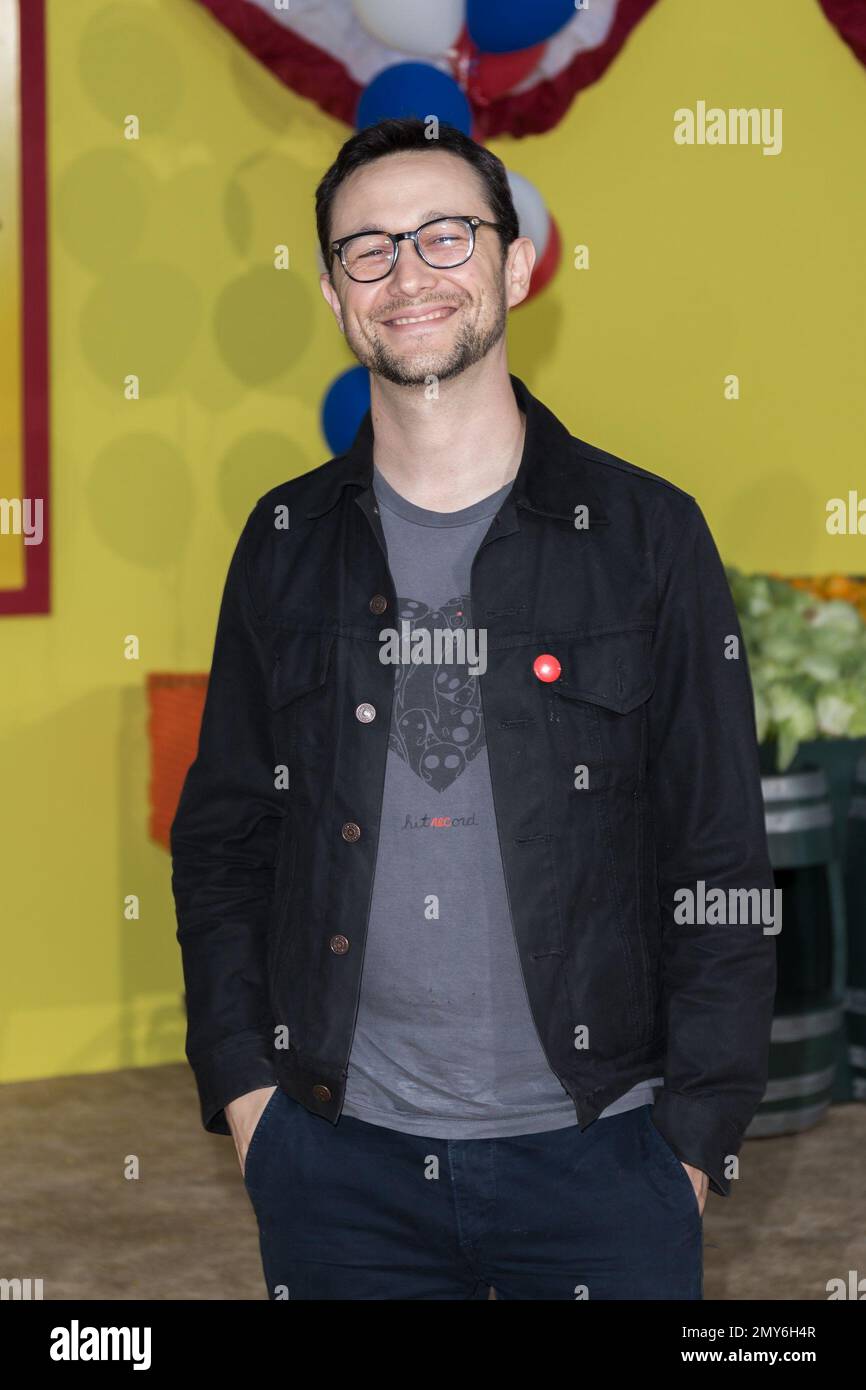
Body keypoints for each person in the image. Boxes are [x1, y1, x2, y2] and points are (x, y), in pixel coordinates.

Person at [170, 117, 777, 1301]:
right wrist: (249, 1099)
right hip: (335, 1167)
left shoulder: (647, 536)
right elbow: (223, 843)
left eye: (444, 236)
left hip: (607, 1157)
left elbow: (720, 857)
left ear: (511, 264)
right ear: (338, 295)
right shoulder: (284, 544)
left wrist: (693, 1147)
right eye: (368, 250)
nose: (408, 274)